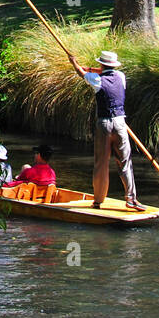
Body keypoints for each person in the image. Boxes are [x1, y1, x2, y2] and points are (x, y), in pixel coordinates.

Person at [66, 48, 144, 211]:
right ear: (114, 65)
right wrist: (92, 68)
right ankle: (131, 198)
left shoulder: (96, 79)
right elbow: (99, 71)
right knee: (125, 161)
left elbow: (81, 73)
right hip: (120, 122)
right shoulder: (121, 77)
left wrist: (73, 62)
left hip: (104, 124)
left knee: (101, 162)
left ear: (101, 64)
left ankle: (98, 200)